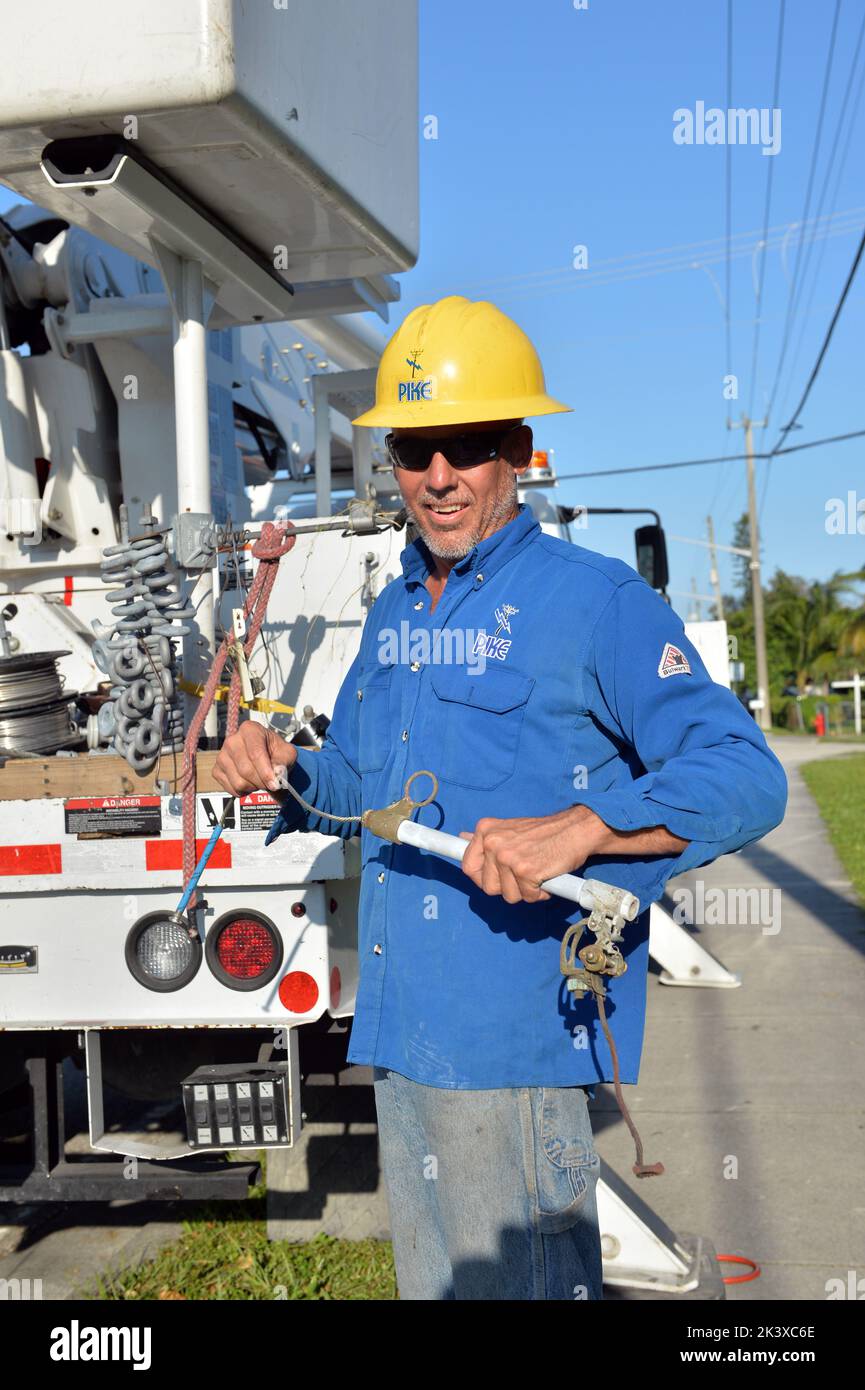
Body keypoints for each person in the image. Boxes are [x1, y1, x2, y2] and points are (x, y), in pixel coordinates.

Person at [213, 295, 788, 1300]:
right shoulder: (394, 608)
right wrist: (285, 767)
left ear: (517, 450)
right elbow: (359, 783)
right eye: (414, 447)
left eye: (466, 446)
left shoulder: (596, 601)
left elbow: (745, 774)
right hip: (399, 1036)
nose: (437, 477)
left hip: (509, 1048)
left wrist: (584, 827)